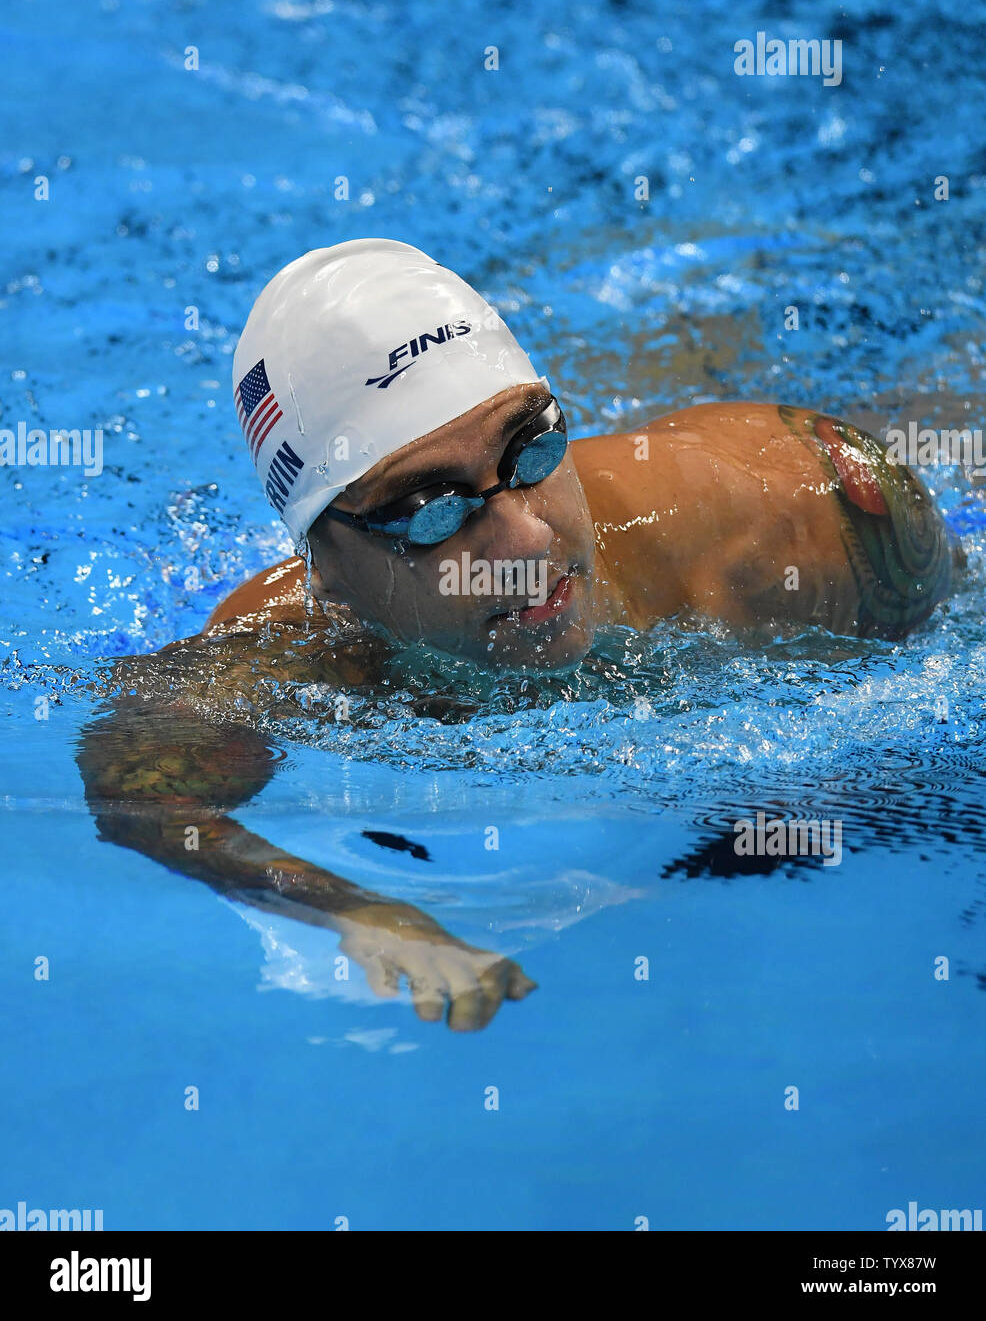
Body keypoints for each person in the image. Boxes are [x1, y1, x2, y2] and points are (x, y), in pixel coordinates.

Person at [77, 238, 961, 1032]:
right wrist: (360, 912)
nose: (527, 542)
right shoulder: (301, 650)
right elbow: (144, 793)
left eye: (532, 445)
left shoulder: (802, 516)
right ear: (329, 566)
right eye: (430, 511)